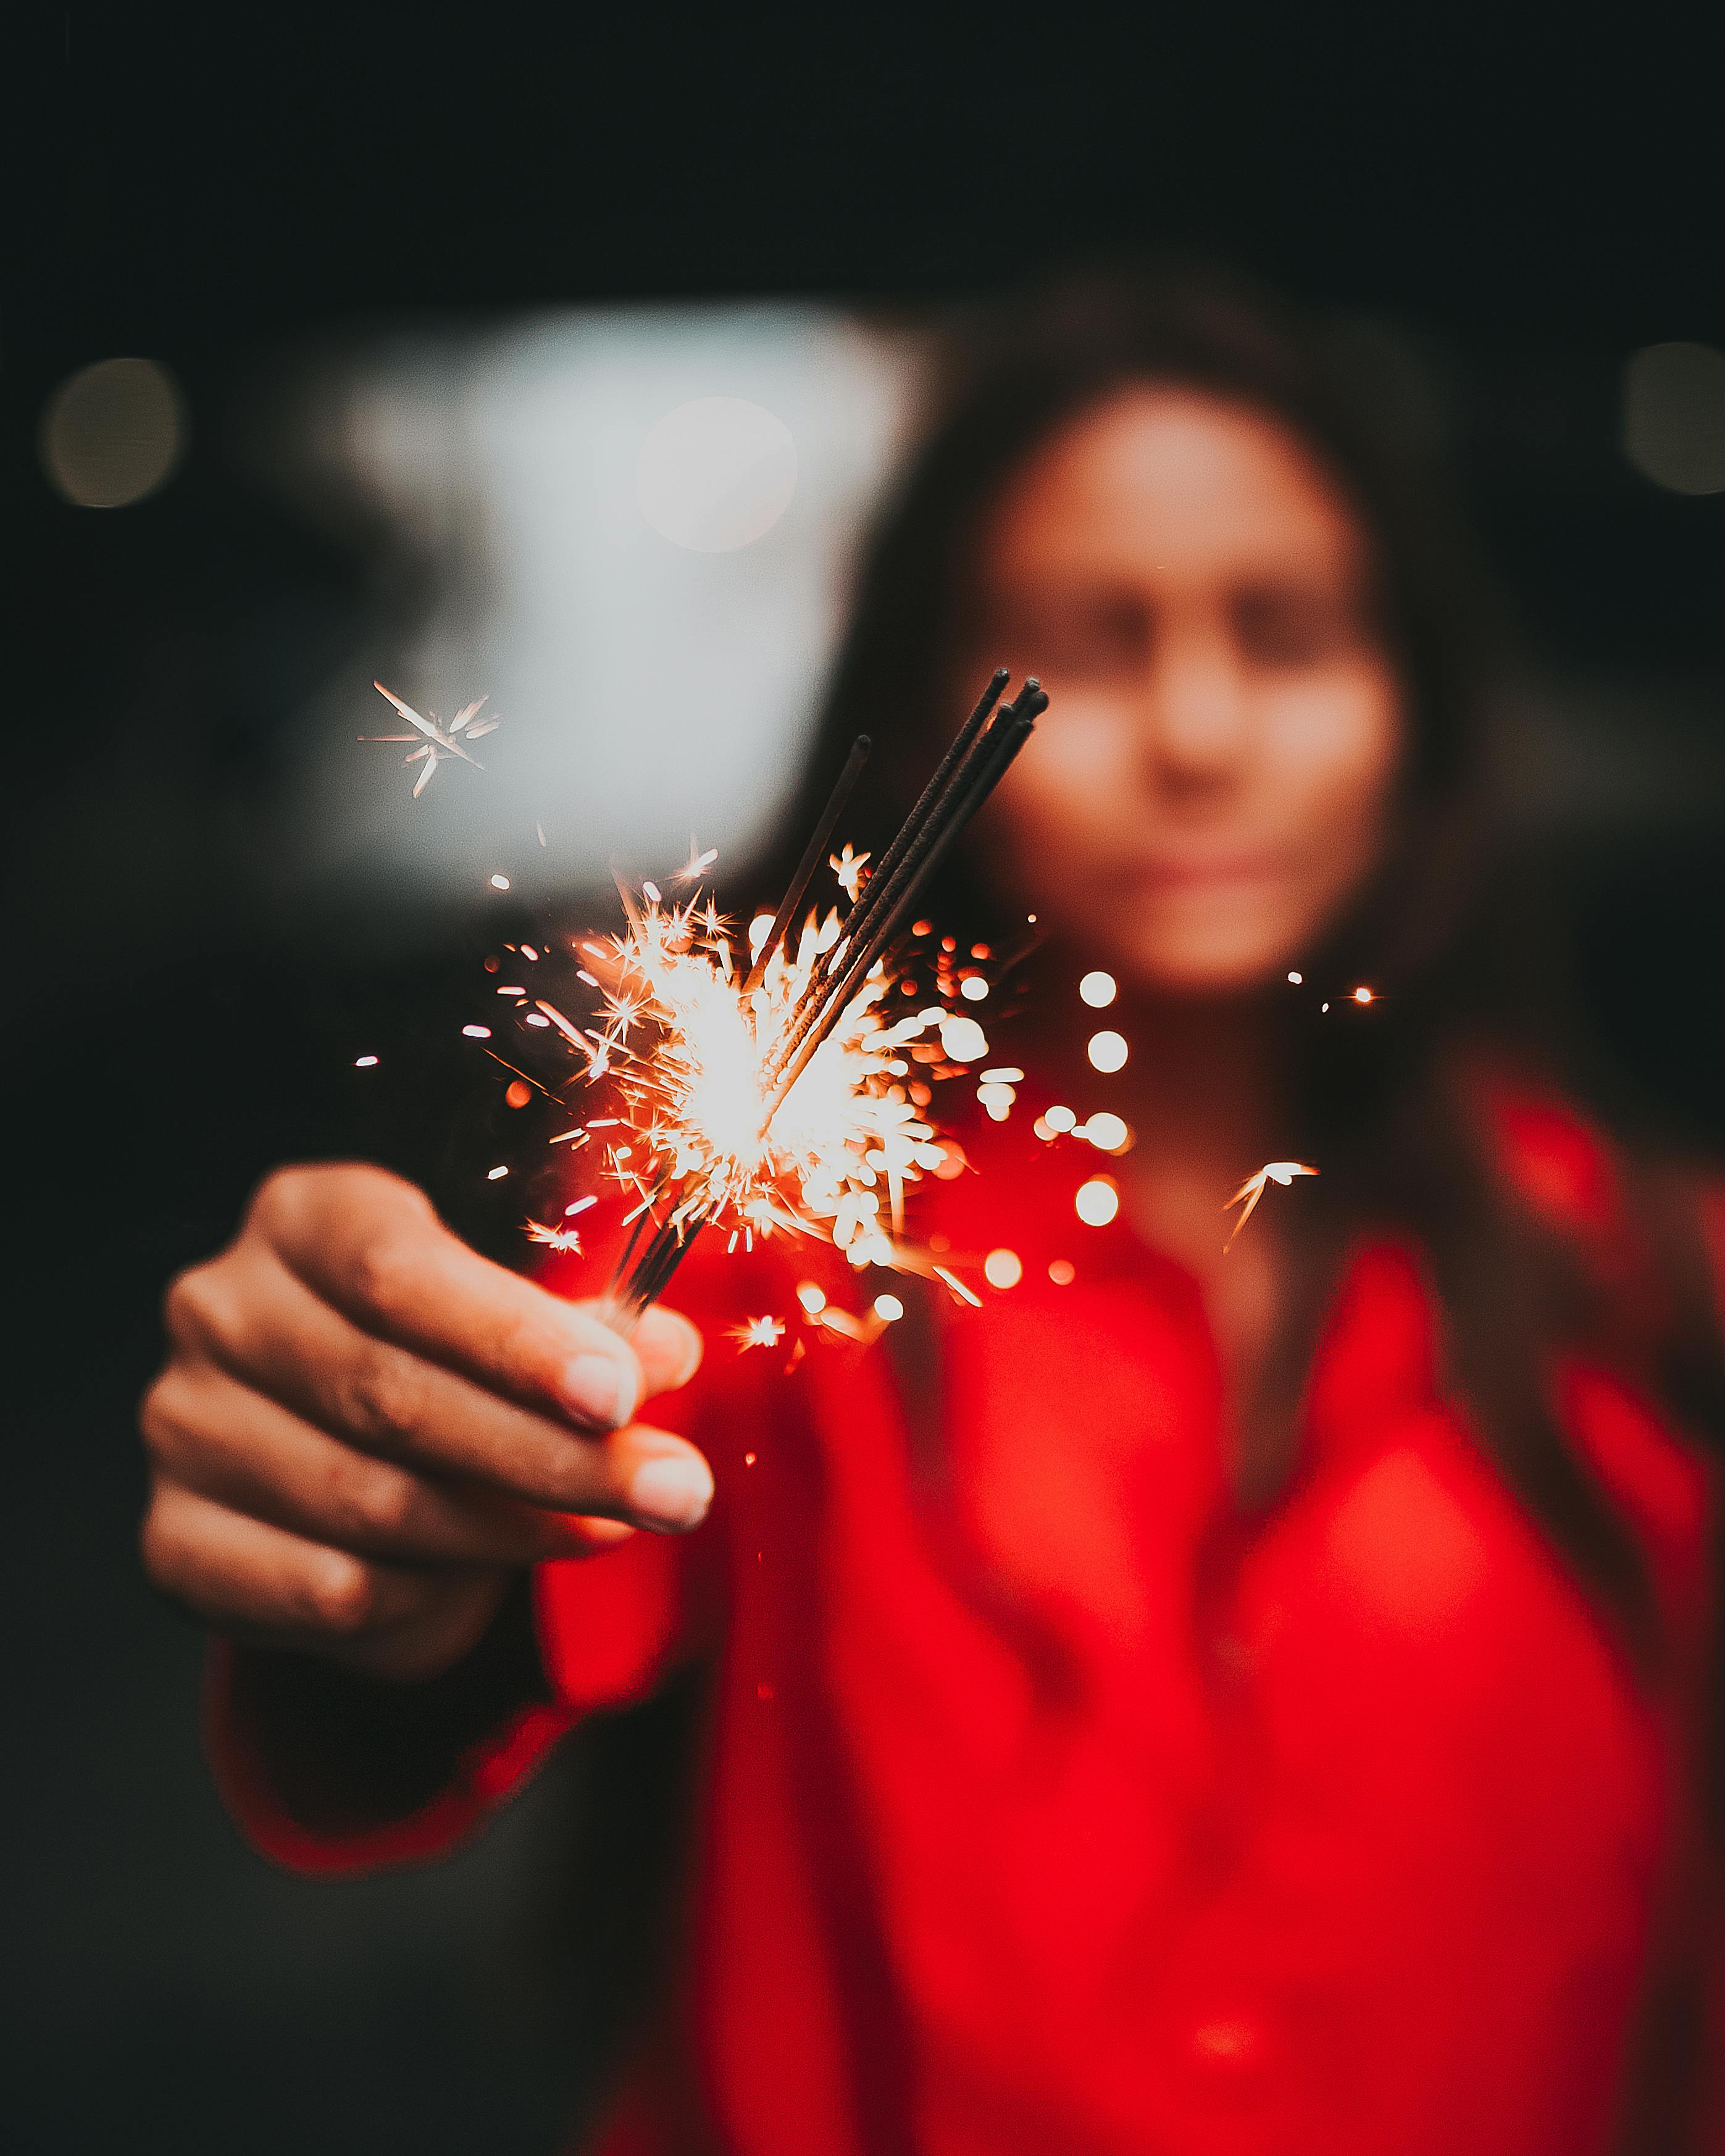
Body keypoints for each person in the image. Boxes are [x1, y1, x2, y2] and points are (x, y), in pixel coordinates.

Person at [139, 266, 1725, 2154]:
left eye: (1285, 634)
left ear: (1415, 703)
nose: (1197, 729)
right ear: (925, 713)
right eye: (1093, 644)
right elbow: (501, 1577)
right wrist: (385, 1537)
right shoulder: (771, 1242)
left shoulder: (1641, 1274)